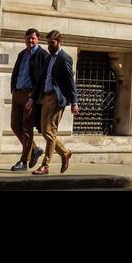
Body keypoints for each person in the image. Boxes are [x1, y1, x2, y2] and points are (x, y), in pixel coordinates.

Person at [34, 30, 79, 174]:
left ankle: (45, 165)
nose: (49, 46)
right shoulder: (48, 58)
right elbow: (42, 79)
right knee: (43, 130)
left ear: (60, 42)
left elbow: (70, 82)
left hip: (57, 98)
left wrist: (74, 102)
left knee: (50, 130)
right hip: (46, 97)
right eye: (48, 43)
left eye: (52, 43)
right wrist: (32, 97)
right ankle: (65, 152)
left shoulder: (64, 58)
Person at [9, 28, 48, 172]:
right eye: (28, 38)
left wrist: (34, 96)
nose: (30, 41)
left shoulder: (42, 55)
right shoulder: (22, 54)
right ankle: (35, 149)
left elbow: (43, 79)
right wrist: (13, 89)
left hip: (30, 95)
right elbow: (15, 72)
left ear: (38, 39)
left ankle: (24, 161)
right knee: (14, 126)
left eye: (33, 38)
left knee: (26, 128)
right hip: (18, 94)